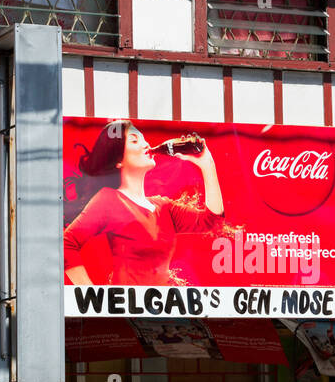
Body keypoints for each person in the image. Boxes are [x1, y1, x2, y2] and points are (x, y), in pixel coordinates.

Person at [64, 121, 225, 287]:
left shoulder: (163, 206)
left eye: (143, 138)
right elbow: (66, 243)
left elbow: (212, 221)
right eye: (134, 140)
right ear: (118, 160)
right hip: (128, 308)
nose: (146, 144)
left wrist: (207, 164)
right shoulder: (109, 199)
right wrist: (93, 297)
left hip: (162, 308)